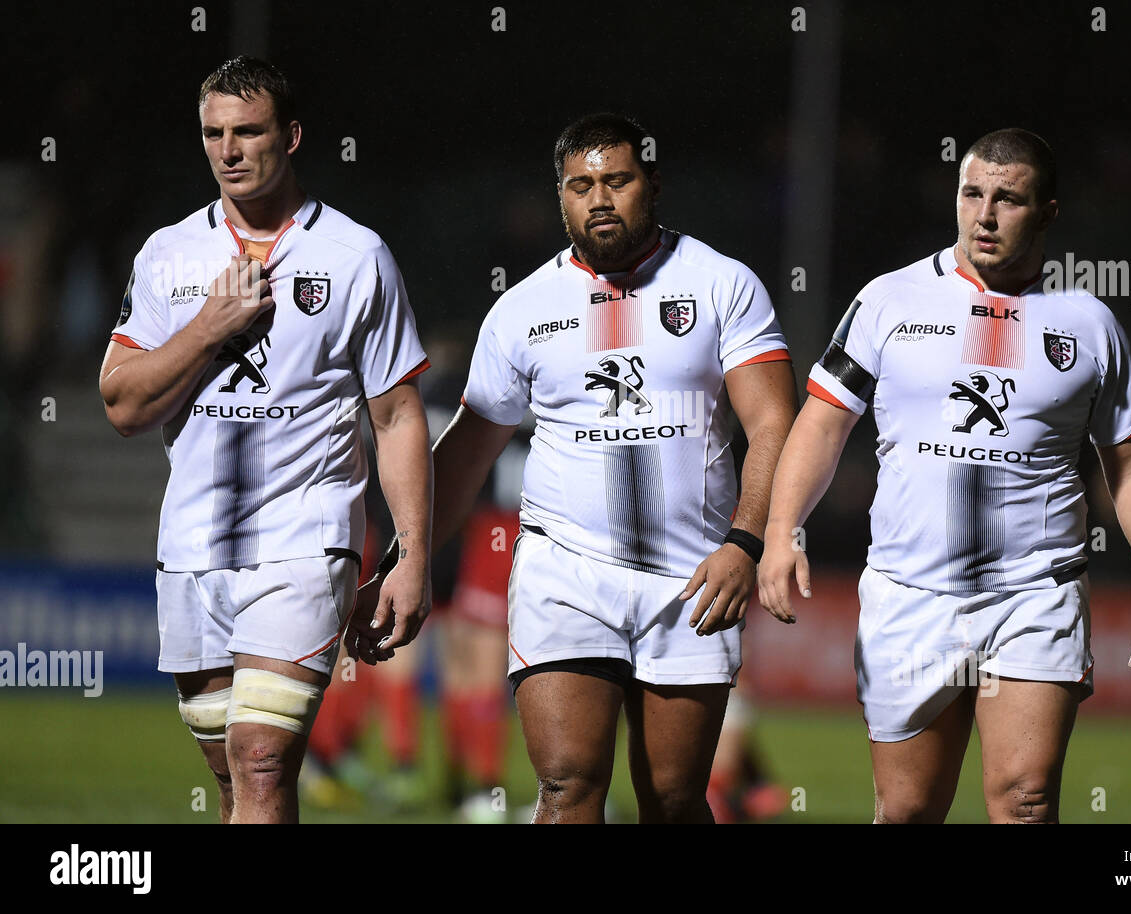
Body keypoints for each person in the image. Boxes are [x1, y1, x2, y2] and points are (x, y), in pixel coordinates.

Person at [353, 113, 798, 823]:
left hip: (691, 580)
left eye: (617, 181)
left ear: (652, 185)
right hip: (566, 578)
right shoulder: (523, 309)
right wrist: (408, 562)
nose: (599, 198)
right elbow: (467, 453)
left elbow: (775, 423)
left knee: (675, 798)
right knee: (565, 788)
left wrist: (747, 542)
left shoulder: (723, 284)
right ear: (559, 195)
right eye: (580, 185)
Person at [758, 128, 1131, 824]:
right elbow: (822, 423)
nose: (984, 215)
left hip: (1034, 592)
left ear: (1047, 212)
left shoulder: (1089, 324)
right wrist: (781, 531)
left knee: (1025, 801)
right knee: (908, 808)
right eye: (972, 194)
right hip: (909, 593)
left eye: (1008, 199)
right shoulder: (888, 301)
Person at [98, 56, 432, 824]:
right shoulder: (168, 254)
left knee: (260, 758)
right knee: (235, 785)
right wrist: (209, 329)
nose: (229, 150)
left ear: (292, 136)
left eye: (248, 132)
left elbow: (397, 415)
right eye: (213, 133)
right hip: (191, 545)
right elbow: (122, 404)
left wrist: (409, 553)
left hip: (305, 540)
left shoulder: (354, 258)